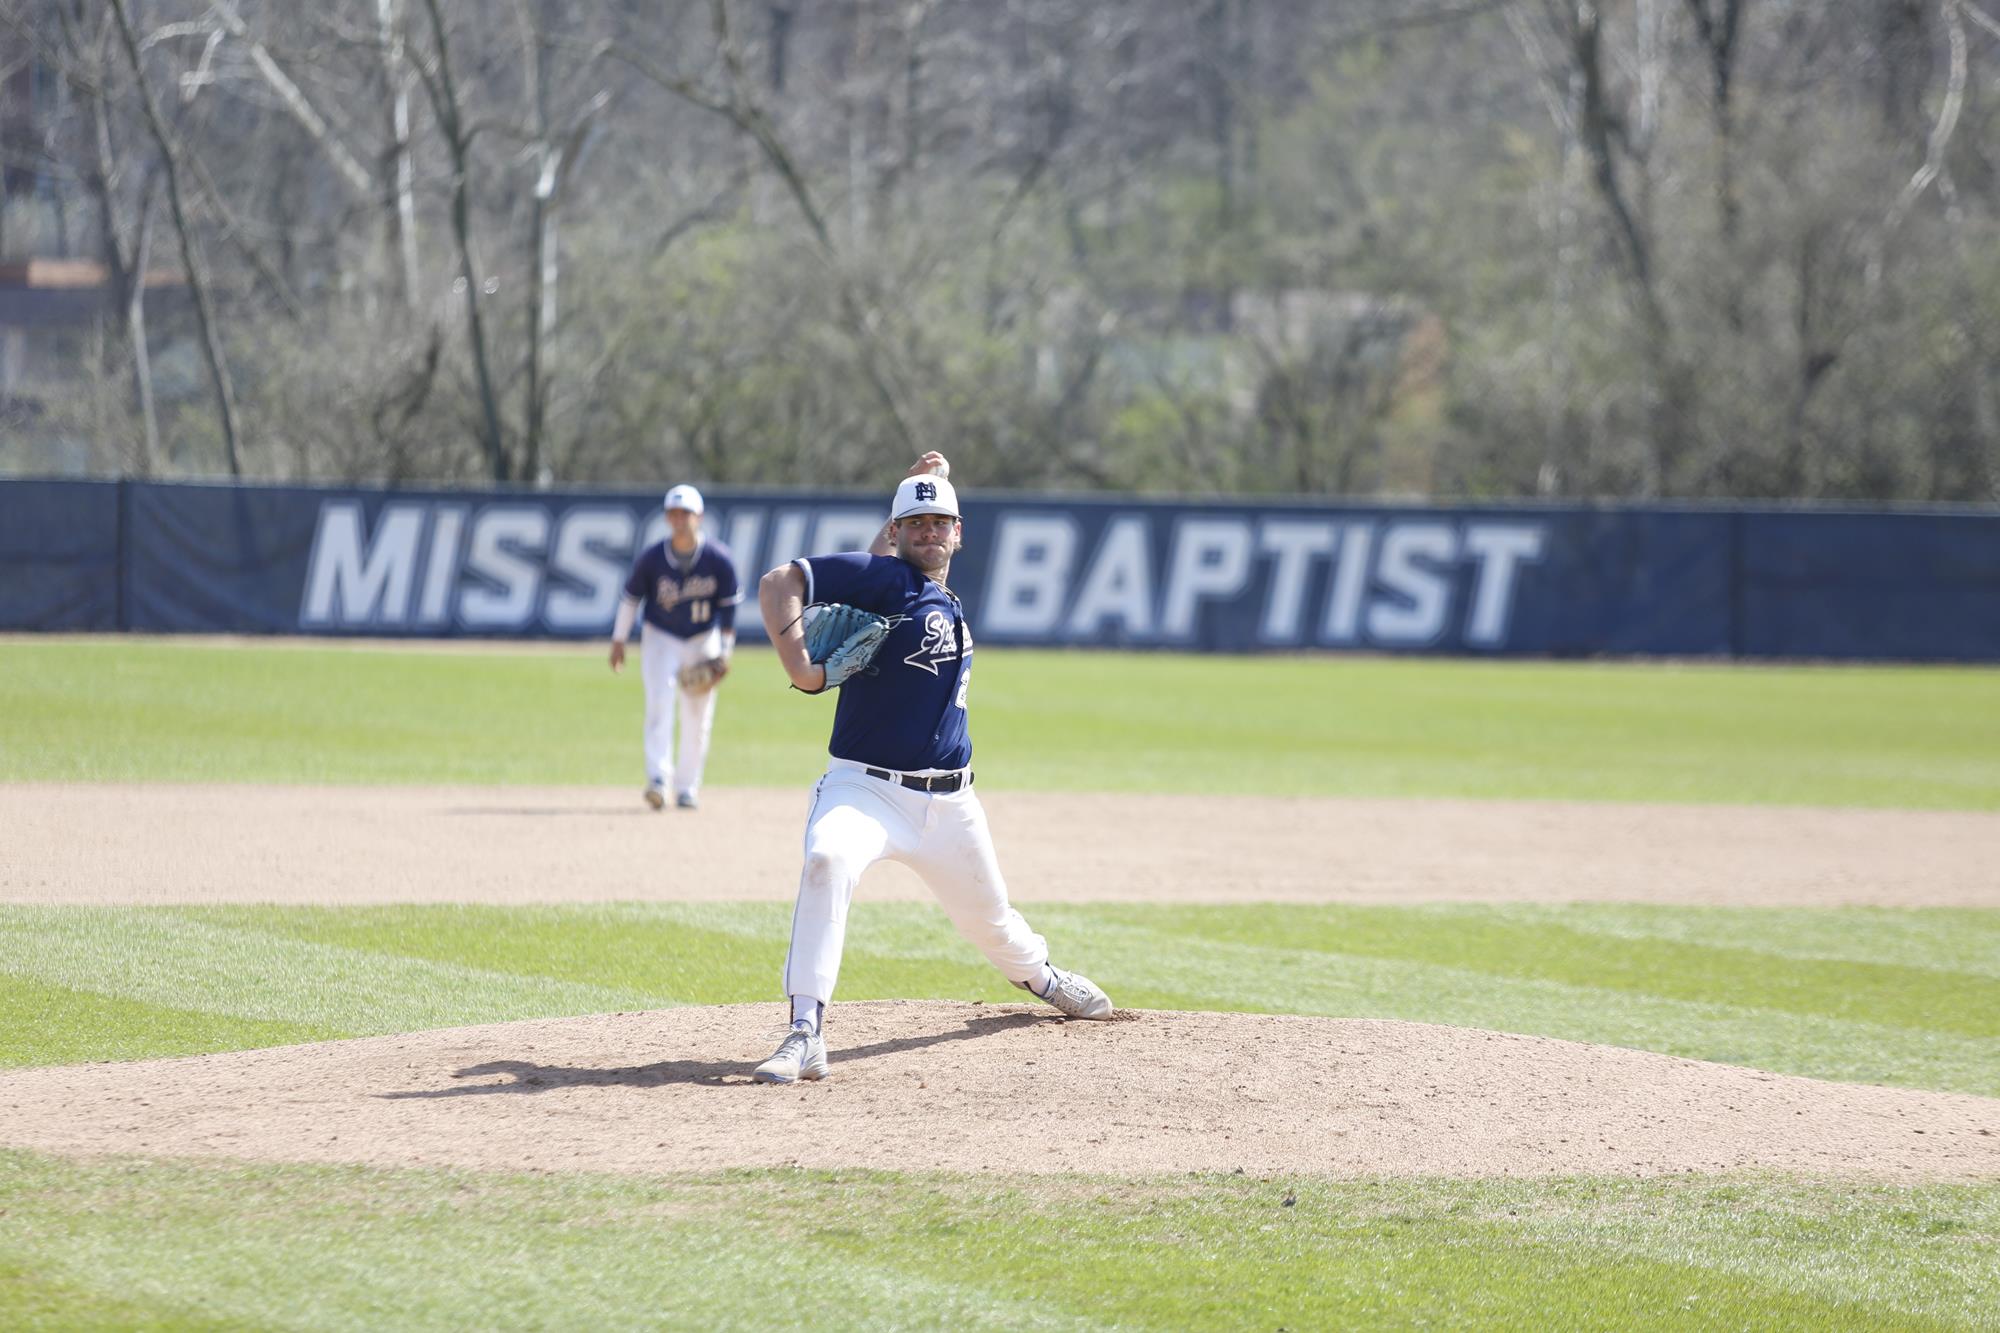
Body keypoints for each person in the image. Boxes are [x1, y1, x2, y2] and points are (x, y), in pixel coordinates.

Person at [750, 451, 1113, 1085]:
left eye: (938, 521)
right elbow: (779, 582)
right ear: (895, 533)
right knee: (826, 861)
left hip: (949, 807)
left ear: (958, 531)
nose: (928, 532)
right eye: (914, 522)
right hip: (863, 788)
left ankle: (1042, 977)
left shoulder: (930, 591)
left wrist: (925, 481)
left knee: (992, 923)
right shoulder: (886, 581)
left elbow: (884, 571)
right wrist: (801, 670)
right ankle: (805, 1030)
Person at [609, 483, 740, 811]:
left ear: (700, 516)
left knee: (698, 714)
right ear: (668, 518)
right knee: (659, 702)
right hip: (661, 637)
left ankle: (687, 787)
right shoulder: (653, 558)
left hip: (702, 638)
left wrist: (724, 651)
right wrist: (618, 640)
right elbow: (630, 600)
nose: (680, 520)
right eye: (674, 514)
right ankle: (657, 779)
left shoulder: (719, 559)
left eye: (686, 513)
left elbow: (729, 611)